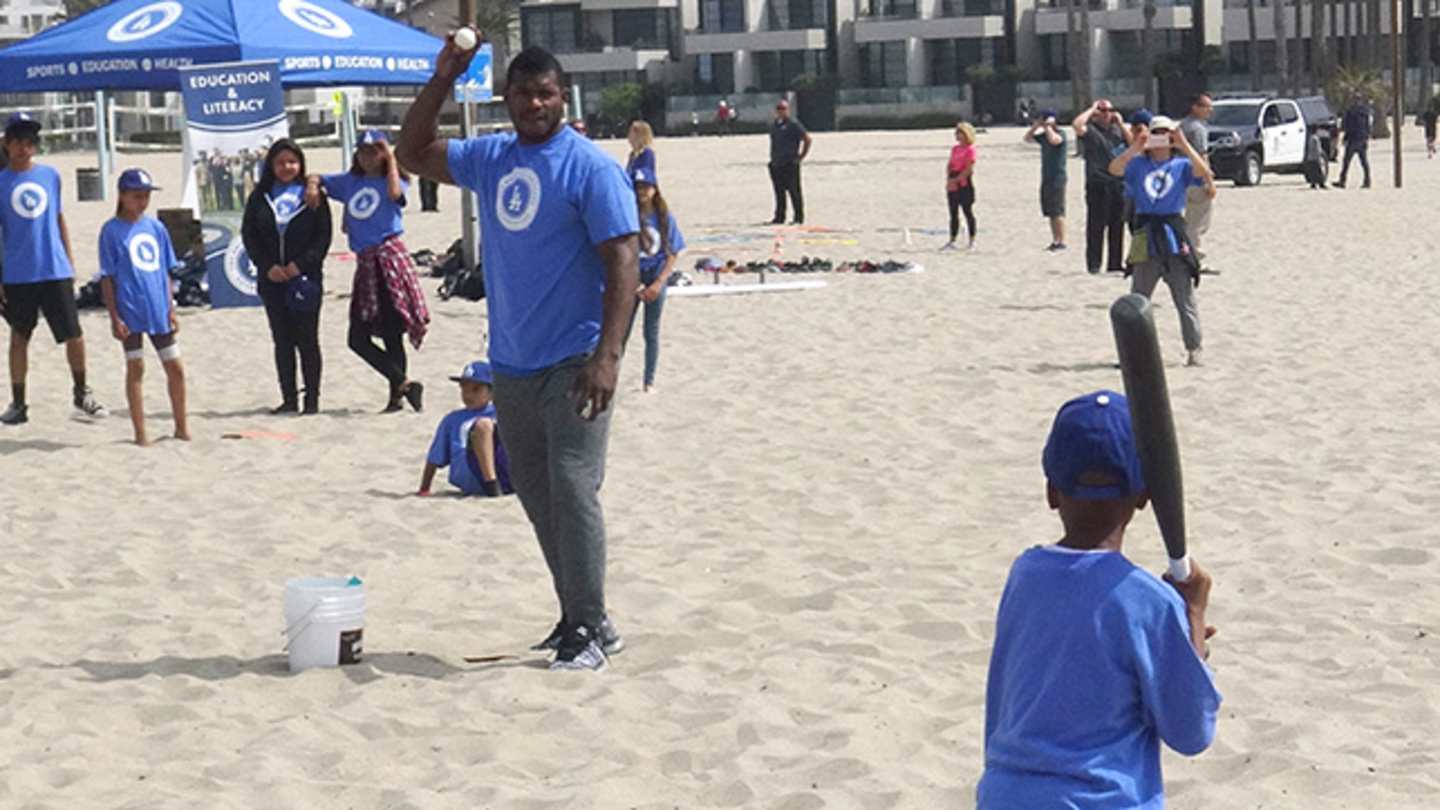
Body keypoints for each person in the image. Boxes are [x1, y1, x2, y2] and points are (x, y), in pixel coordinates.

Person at [398, 42, 640, 671]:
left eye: (547, 93)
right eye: (525, 93)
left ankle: (588, 628)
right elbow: (412, 153)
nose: (536, 104)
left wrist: (608, 355)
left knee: (572, 485)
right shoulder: (491, 158)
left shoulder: (589, 167)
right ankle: (580, 617)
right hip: (512, 361)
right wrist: (441, 80)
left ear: (564, 97)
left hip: (576, 355)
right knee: (534, 493)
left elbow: (623, 260)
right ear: (506, 99)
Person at [977, 389, 1221, 809]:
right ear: (1145, 496)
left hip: (1007, 795)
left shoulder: (1024, 575)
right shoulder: (1149, 602)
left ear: (1051, 491)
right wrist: (1193, 617)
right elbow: (1190, 730)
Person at [308, 130, 430, 414]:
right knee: (357, 338)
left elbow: (396, 195)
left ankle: (396, 397)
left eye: (373, 151)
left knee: (392, 333)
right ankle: (404, 383)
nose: (367, 157)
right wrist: (313, 186)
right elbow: (316, 177)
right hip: (365, 263)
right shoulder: (351, 181)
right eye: (362, 151)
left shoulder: (394, 180)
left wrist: (390, 158)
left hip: (389, 259)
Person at [0, 112, 107, 425]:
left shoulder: (50, 176)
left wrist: (69, 260)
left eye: (29, 141)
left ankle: (82, 391)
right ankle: (19, 403)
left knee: (73, 334)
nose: (23, 147)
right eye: (18, 141)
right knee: (20, 337)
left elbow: (58, 218)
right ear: (7, 144)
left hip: (54, 269)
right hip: (18, 273)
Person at [1109, 115, 1215, 368]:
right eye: (1156, 132)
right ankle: (1131, 353)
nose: (1160, 137)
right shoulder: (1137, 164)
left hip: (1173, 232)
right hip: (1145, 231)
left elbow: (1204, 172)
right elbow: (1114, 169)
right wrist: (1136, 146)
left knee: (1184, 296)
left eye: (1165, 133)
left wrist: (1184, 145)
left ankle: (1193, 348)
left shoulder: (1180, 165)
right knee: (1138, 298)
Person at [242, 139, 333, 415]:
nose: (287, 167)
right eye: (281, 162)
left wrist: (300, 265)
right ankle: (289, 398)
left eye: (292, 162)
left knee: (307, 339)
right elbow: (250, 235)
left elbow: (323, 237)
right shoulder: (260, 196)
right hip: (272, 279)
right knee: (282, 340)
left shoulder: (312, 194)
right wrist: (266, 265)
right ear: (271, 164)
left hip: (305, 279)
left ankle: (312, 400)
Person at [98, 168, 188, 446]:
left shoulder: (156, 228)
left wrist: (171, 307)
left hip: (158, 307)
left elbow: (165, 271)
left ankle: (181, 427)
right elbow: (107, 277)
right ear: (123, 196)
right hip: (130, 309)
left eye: (146, 196)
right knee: (136, 368)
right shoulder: (111, 231)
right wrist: (114, 316)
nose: (142, 201)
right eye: (137, 196)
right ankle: (140, 433)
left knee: (175, 367)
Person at [418, 360, 514, 497]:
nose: (468, 394)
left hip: (501, 473)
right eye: (464, 388)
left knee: (490, 425)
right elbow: (434, 458)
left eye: (476, 389)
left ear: (492, 392)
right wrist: (424, 488)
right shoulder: (452, 419)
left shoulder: (499, 413)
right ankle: (492, 486)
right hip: (470, 473)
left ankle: (494, 486)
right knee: (483, 426)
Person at [626, 166, 684, 392]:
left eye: (646, 186)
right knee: (622, 330)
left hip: (656, 276)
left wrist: (658, 284)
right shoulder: (627, 214)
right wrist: (634, 283)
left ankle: (649, 380)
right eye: (638, 187)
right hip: (632, 276)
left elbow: (673, 253)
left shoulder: (663, 217)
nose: (642, 191)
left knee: (651, 331)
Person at [1073, 99, 1130, 274]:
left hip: (1118, 182)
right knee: (1096, 225)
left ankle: (1114, 263)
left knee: (1117, 225)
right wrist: (1091, 109)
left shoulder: (1117, 131)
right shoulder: (1091, 131)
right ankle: (1094, 264)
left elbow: (1135, 142)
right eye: (1102, 110)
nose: (1107, 113)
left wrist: (1120, 124)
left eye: (1110, 110)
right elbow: (1076, 125)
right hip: (1097, 182)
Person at [1024, 109, 1068, 252]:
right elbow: (1027, 138)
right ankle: (1055, 239)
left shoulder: (1061, 134)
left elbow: (1055, 141)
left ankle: (1062, 240)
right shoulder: (1044, 136)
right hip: (1047, 177)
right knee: (1050, 211)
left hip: (1057, 177)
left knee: (1057, 210)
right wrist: (1036, 125)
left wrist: (1049, 127)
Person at [1180, 93, 1215, 268]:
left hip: (1182, 179)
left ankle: (1188, 253)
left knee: (1189, 219)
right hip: (1196, 179)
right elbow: (1202, 156)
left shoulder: (1182, 125)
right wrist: (1209, 181)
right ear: (1195, 107)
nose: (1210, 109)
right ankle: (1194, 258)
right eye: (1207, 106)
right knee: (1198, 221)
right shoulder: (1197, 128)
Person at [768, 99, 811, 226]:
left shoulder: (793, 124)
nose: (781, 111)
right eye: (778, 109)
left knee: (794, 191)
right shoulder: (775, 124)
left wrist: (801, 156)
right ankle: (779, 216)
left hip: (790, 163)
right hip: (776, 163)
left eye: (783, 109)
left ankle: (798, 217)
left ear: (787, 110)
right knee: (779, 192)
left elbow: (807, 139)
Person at [942, 121, 977, 252]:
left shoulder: (970, 150)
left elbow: (969, 169)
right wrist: (949, 179)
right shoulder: (955, 149)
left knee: (968, 212)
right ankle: (952, 240)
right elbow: (950, 164)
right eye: (957, 133)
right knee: (953, 212)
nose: (957, 135)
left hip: (964, 182)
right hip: (953, 179)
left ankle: (972, 240)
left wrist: (958, 179)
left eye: (960, 133)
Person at [1337, 97, 1373, 189]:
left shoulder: (1350, 111)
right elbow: (1368, 126)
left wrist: (1345, 137)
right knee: (1364, 162)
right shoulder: (1365, 112)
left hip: (1352, 139)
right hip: (1362, 139)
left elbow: (1347, 126)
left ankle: (1342, 181)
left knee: (1346, 162)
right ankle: (1367, 181)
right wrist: (1367, 137)